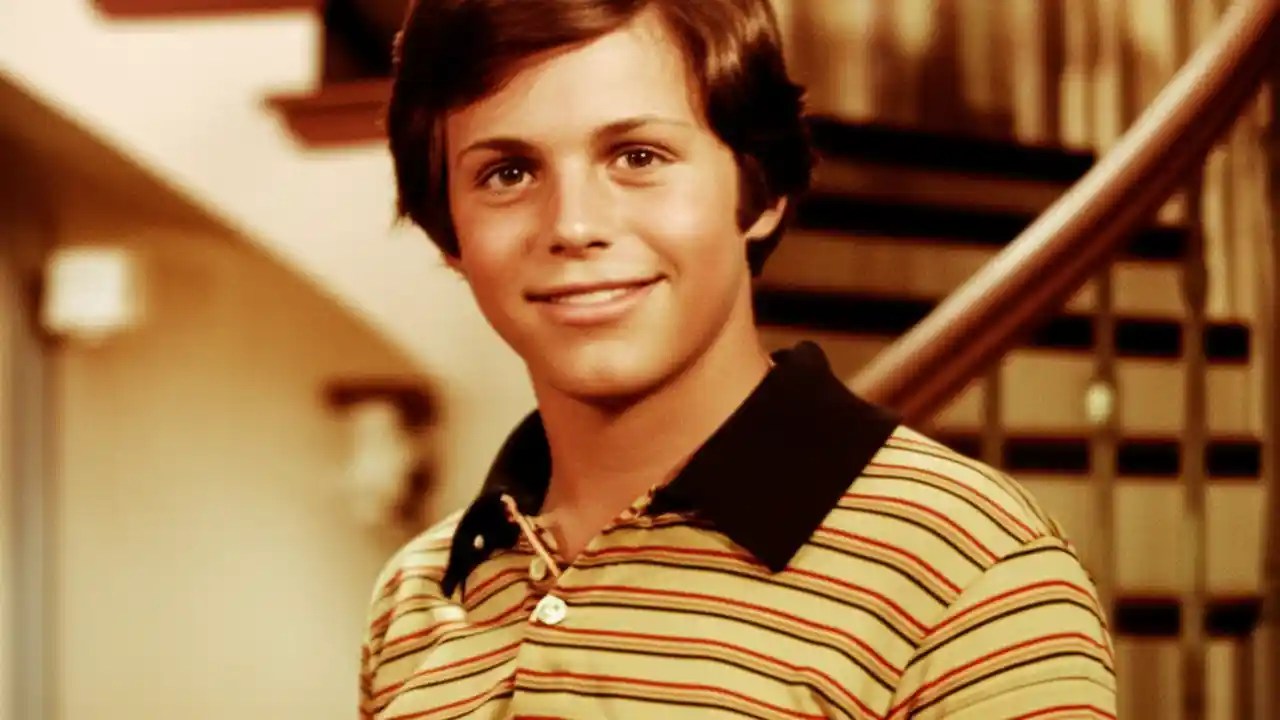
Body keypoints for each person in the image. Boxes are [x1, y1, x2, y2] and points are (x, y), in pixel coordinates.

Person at [359, 0, 1118, 717]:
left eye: (638, 155)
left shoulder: (969, 567)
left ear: (759, 193)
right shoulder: (417, 595)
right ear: (450, 232)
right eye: (508, 173)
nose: (574, 224)